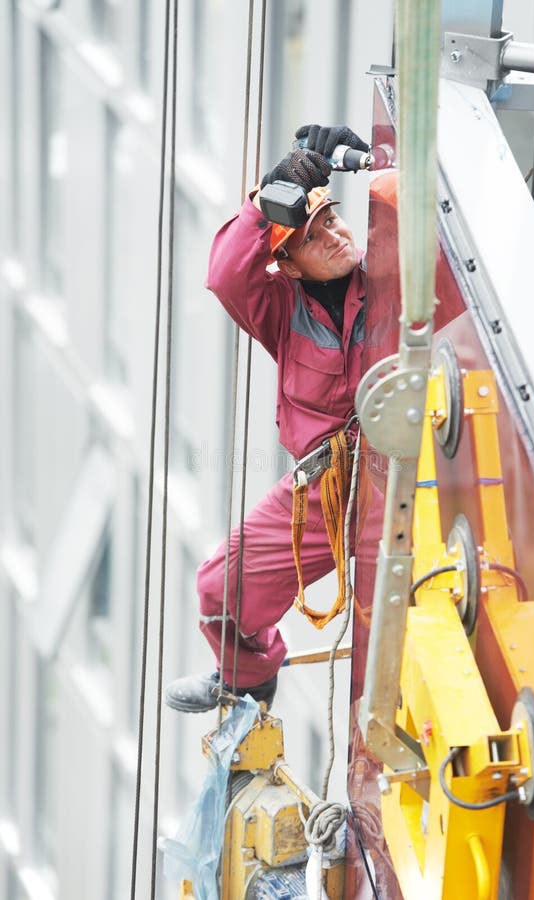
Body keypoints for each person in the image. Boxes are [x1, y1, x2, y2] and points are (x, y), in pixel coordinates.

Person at [165, 123, 372, 713]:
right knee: (219, 591)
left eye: (333, 220)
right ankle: (250, 677)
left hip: (408, 469)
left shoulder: (386, 279)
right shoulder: (283, 311)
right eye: (314, 235)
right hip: (329, 487)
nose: (335, 235)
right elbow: (228, 274)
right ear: (292, 266)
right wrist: (271, 194)